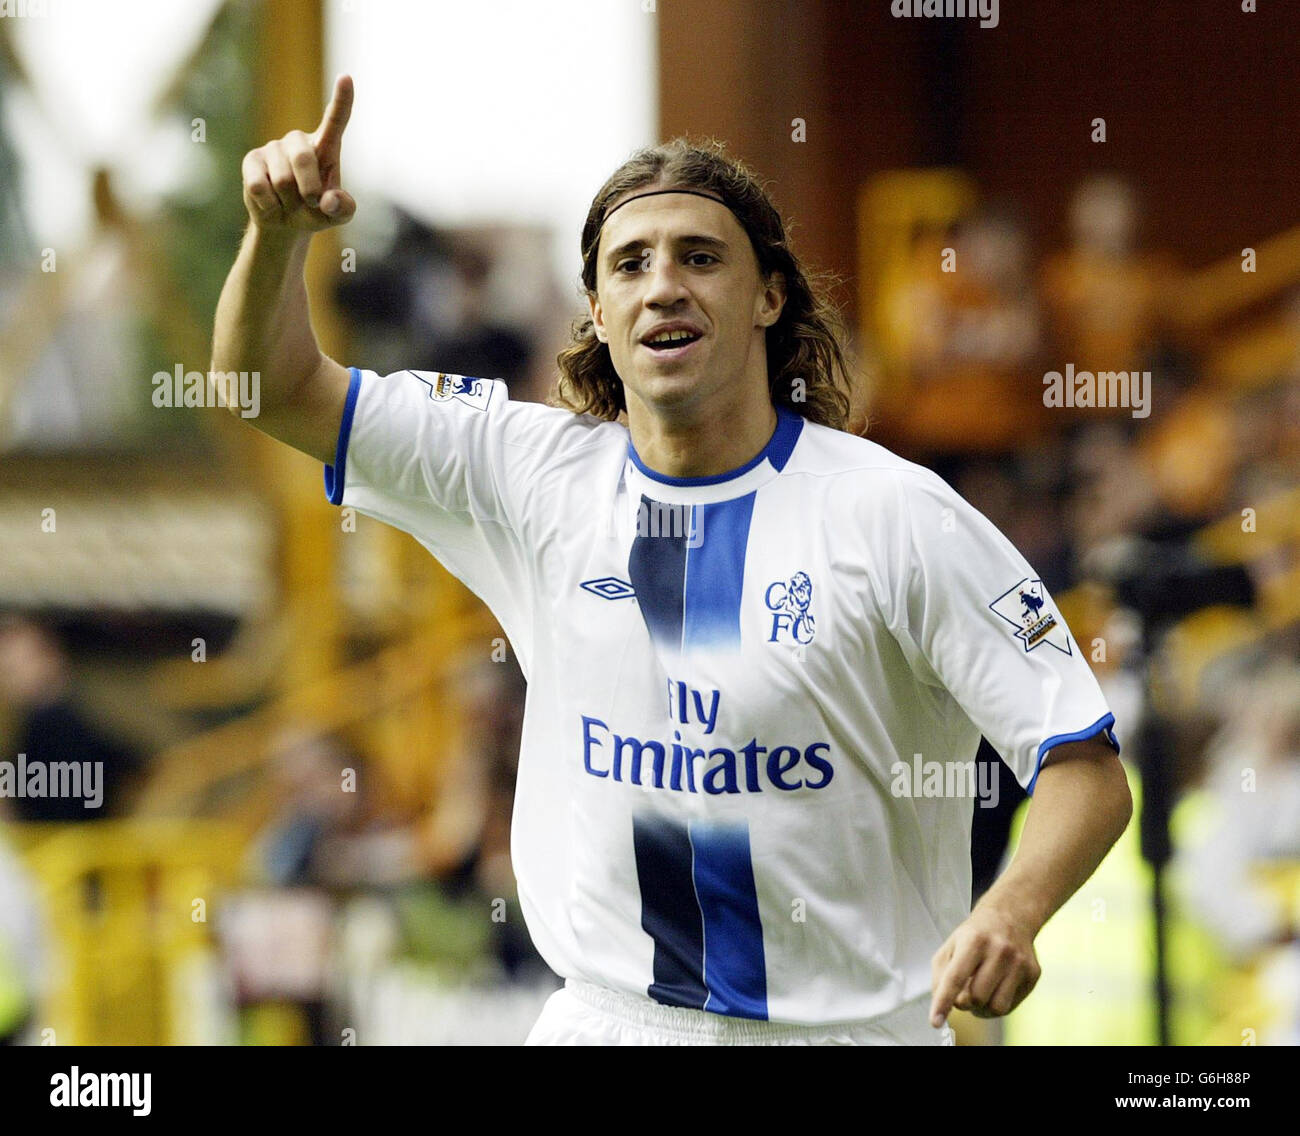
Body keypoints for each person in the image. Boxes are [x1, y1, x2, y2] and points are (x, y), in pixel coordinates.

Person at [211, 75, 1132, 1046]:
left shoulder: (896, 514)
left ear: (768, 296)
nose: (663, 284)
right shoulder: (528, 474)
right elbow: (270, 387)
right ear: (600, 313)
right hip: (607, 1022)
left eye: (701, 257)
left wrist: (1010, 908)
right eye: (631, 263)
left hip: (848, 1031)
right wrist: (275, 235)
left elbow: (1084, 762)